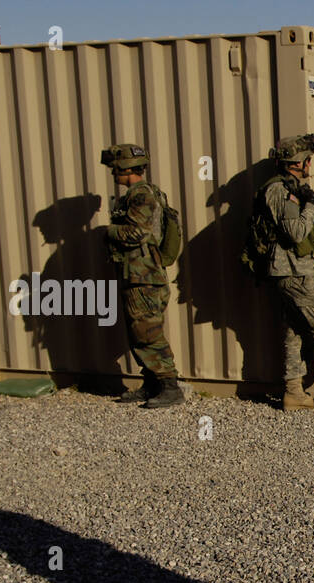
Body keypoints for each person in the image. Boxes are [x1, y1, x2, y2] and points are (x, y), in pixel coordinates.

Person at [256, 135, 314, 415]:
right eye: (308, 160)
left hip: (293, 269)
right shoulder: (279, 191)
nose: (311, 164)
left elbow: (300, 230)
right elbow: (294, 231)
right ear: (299, 163)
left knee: (296, 330)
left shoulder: (292, 188)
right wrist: (311, 209)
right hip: (293, 271)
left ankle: (294, 393)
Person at [101, 143, 183, 408]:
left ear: (126, 167)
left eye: (115, 168)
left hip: (144, 276)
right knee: (138, 331)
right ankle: (152, 384)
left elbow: (137, 233)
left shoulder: (142, 195)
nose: (113, 173)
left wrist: (109, 231)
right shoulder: (140, 194)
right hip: (136, 275)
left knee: (148, 332)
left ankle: (170, 386)